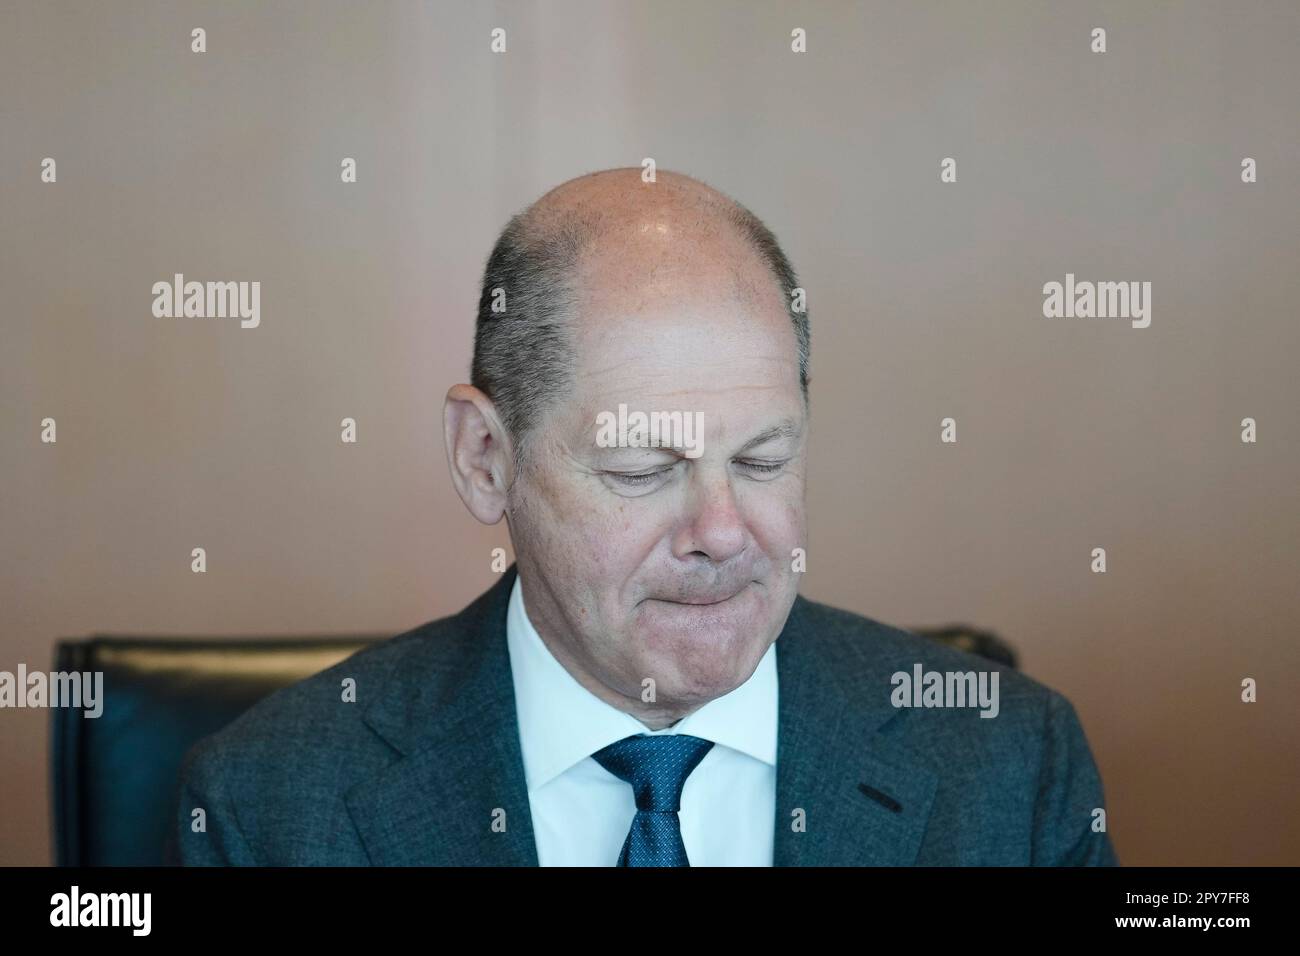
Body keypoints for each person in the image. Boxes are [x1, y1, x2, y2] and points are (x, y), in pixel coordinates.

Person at [170, 168, 1118, 866]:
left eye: (763, 458)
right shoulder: (272, 805)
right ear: (485, 459)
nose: (723, 531)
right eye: (642, 468)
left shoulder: (1008, 766)